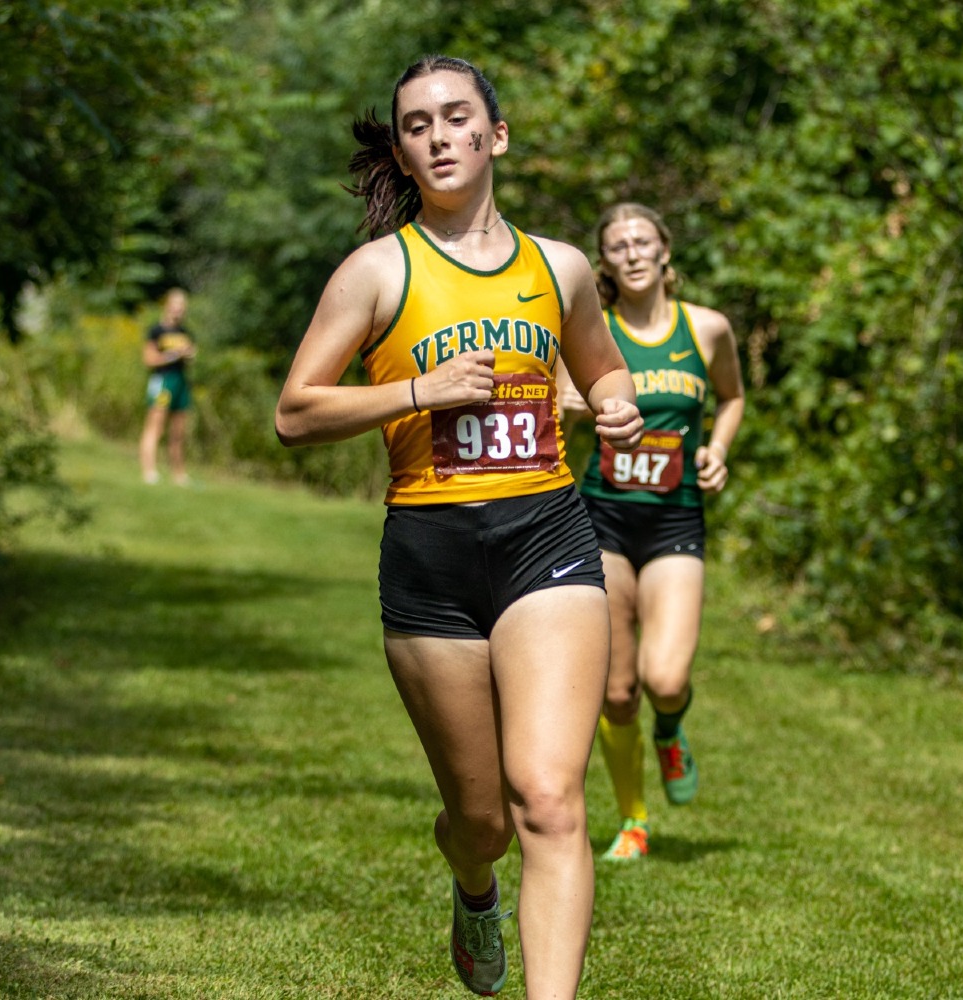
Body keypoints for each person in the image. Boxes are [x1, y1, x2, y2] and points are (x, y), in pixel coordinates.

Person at [274, 57, 643, 999]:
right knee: (480, 820)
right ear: (401, 148)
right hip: (431, 560)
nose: (437, 137)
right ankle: (473, 887)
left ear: (496, 135)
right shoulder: (375, 272)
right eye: (415, 125)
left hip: (547, 539)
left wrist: (616, 403)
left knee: (551, 800)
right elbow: (296, 413)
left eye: (455, 117)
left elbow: (602, 370)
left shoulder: (558, 267)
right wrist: (415, 390)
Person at [557, 202, 746, 862]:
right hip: (602, 516)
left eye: (643, 241)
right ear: (604, 261)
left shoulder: (709, 329)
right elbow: (557, 408)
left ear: (666, 251)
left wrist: (717, 450)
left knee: (664, 679)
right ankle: (633, 821)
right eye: (617, 244)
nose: (632, 252)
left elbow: (733, 397)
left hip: (675, 518)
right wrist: (572, 405)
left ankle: (671, 729)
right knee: (614, 689)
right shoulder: (591, 331)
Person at [139, 287, 197, 485]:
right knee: (155, 427)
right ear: (167, 306)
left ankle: (179, 474)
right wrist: (174, 355)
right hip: (162, 381)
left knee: (179, 431)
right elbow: (149, 359)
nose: (178, 310)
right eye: (175, 305)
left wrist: (189, 355)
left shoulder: (186, 332)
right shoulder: (156, 331)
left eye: (182, 306)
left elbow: (190, 356)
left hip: (181, 381)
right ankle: (149, 471)